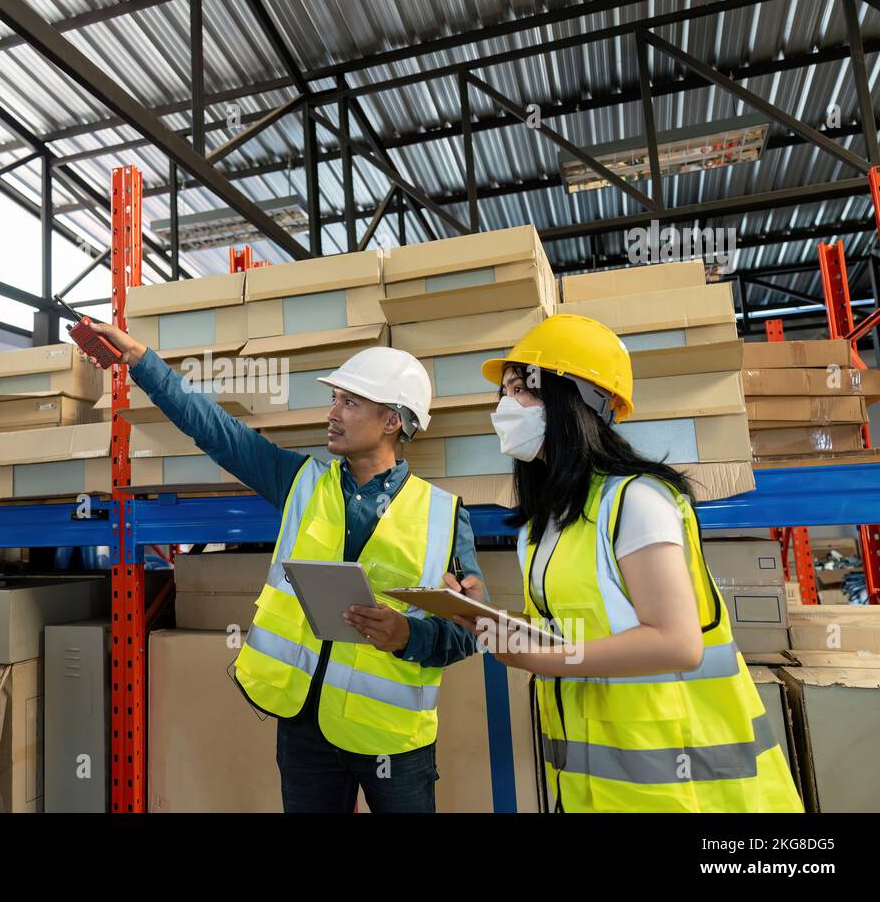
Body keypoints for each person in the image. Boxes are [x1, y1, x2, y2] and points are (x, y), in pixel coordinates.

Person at [87, 321, 483, 813]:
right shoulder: (301, 482)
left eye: (350, 402)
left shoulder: (445, 515)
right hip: (305, 726)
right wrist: (143, 362)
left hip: (392, 741)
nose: (332, 413)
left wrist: (407, 635)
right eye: (335, 398)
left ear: (392, 422)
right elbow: (217, 431)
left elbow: (469, 629)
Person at [447, 313, 803, 812]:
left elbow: (677, 643)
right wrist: (490, 618)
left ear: (578, 401)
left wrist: (540, 658)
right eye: (504, 393)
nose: (506, 406)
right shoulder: (543, 524)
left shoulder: (635, 501)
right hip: (597, 785)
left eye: (522, 390)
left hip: (686, 786)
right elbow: (570, 630)